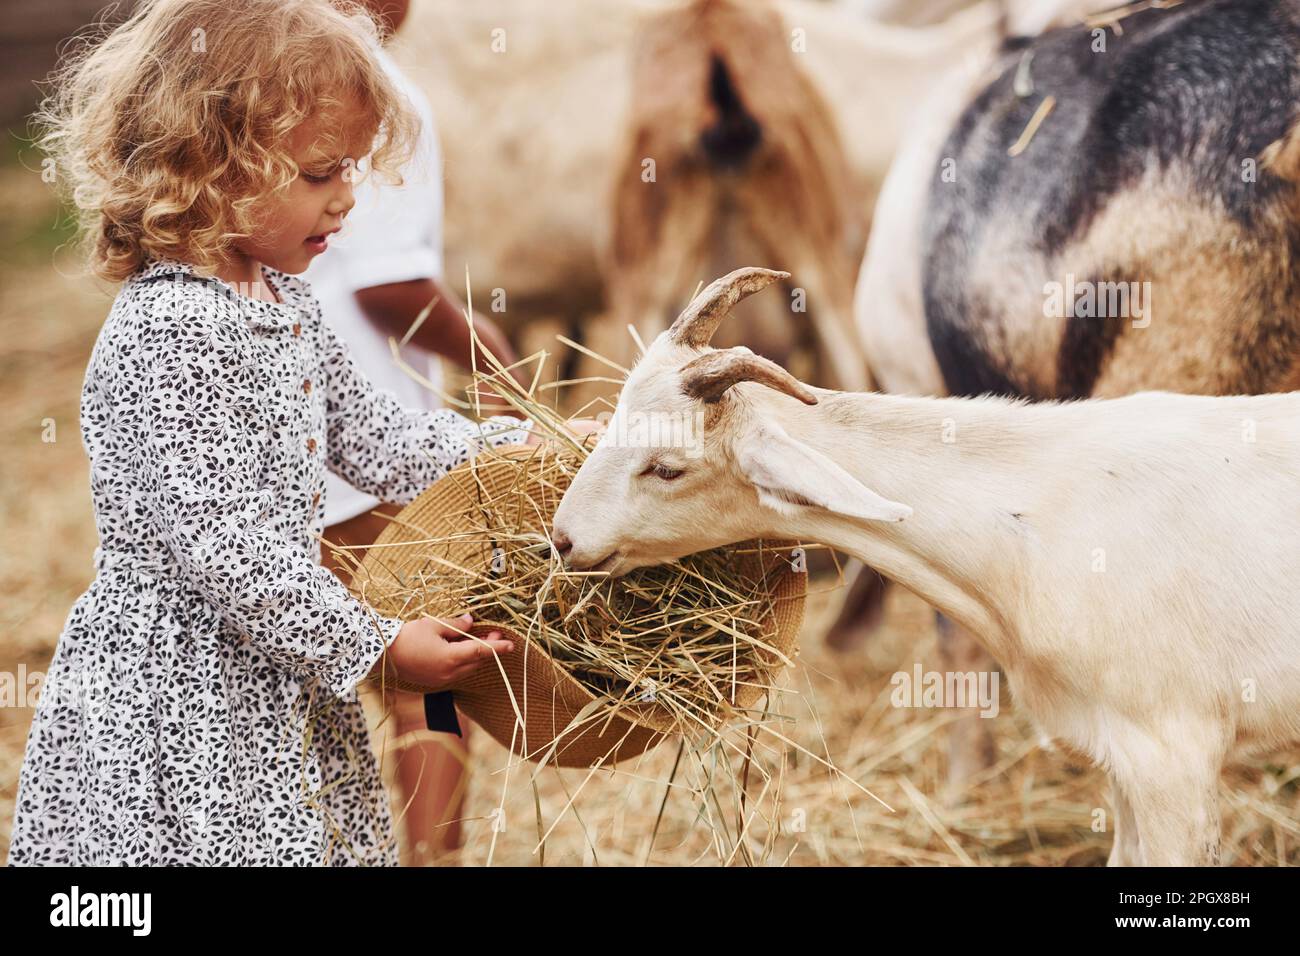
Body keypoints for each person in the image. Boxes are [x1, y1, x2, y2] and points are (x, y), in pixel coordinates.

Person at [6, 0, 547, 865]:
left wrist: (520, 449)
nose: (348, 198)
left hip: (277, 675)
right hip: (184, 695)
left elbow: (378, 441)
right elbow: (227, 552)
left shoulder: (284, 300)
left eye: (355, 169)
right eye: (321, 172)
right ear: (209, 166)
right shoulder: (172, 329)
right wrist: (374, 645)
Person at [305, 0, 522, 865]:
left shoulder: (248, 89)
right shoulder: (375, 93)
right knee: (425, 683)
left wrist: (497, 444)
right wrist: (499, 361)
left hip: (335, 448)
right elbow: (388, 287)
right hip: (362, 469)